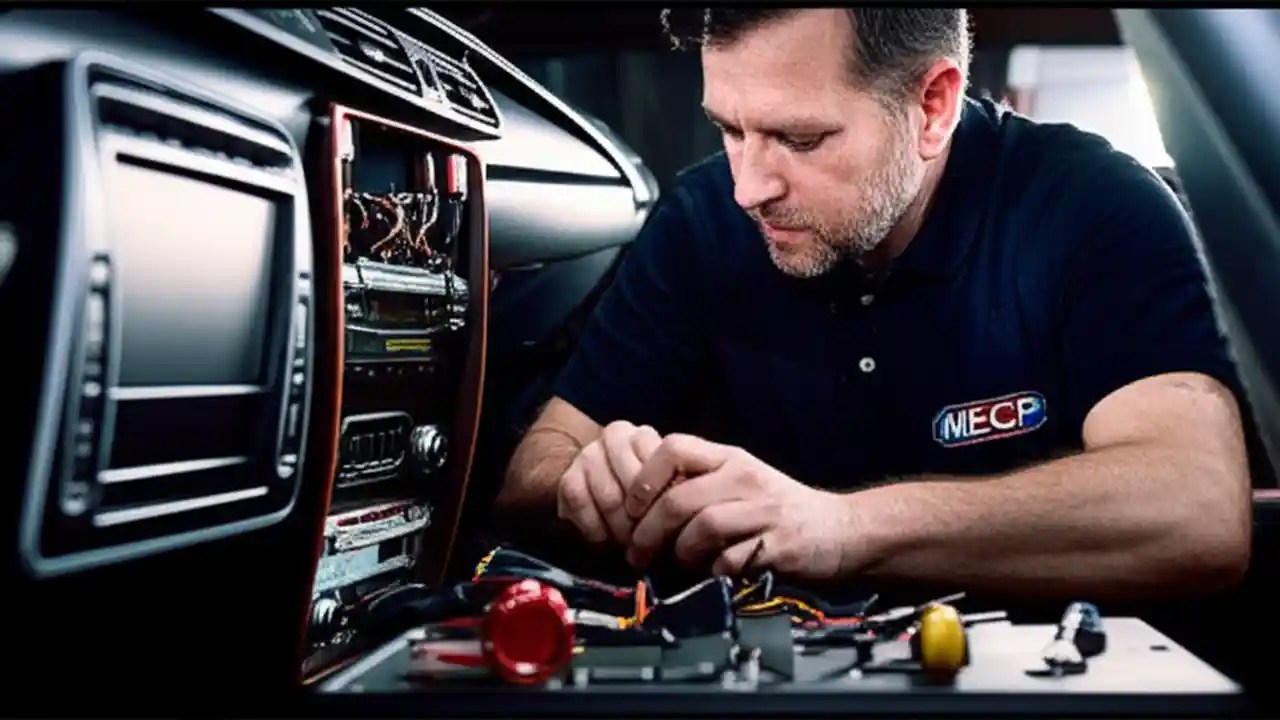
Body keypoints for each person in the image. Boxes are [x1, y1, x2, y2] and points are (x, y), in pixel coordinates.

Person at [494, 8, 1253, 600]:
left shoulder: (1093, 208)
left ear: (933, 105)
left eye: (801, 138)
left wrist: (839, 527)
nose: (748, 187)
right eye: (729, 129)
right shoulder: (701, 224)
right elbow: (534, 467)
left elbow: (1196, 511)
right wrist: (593, 479)